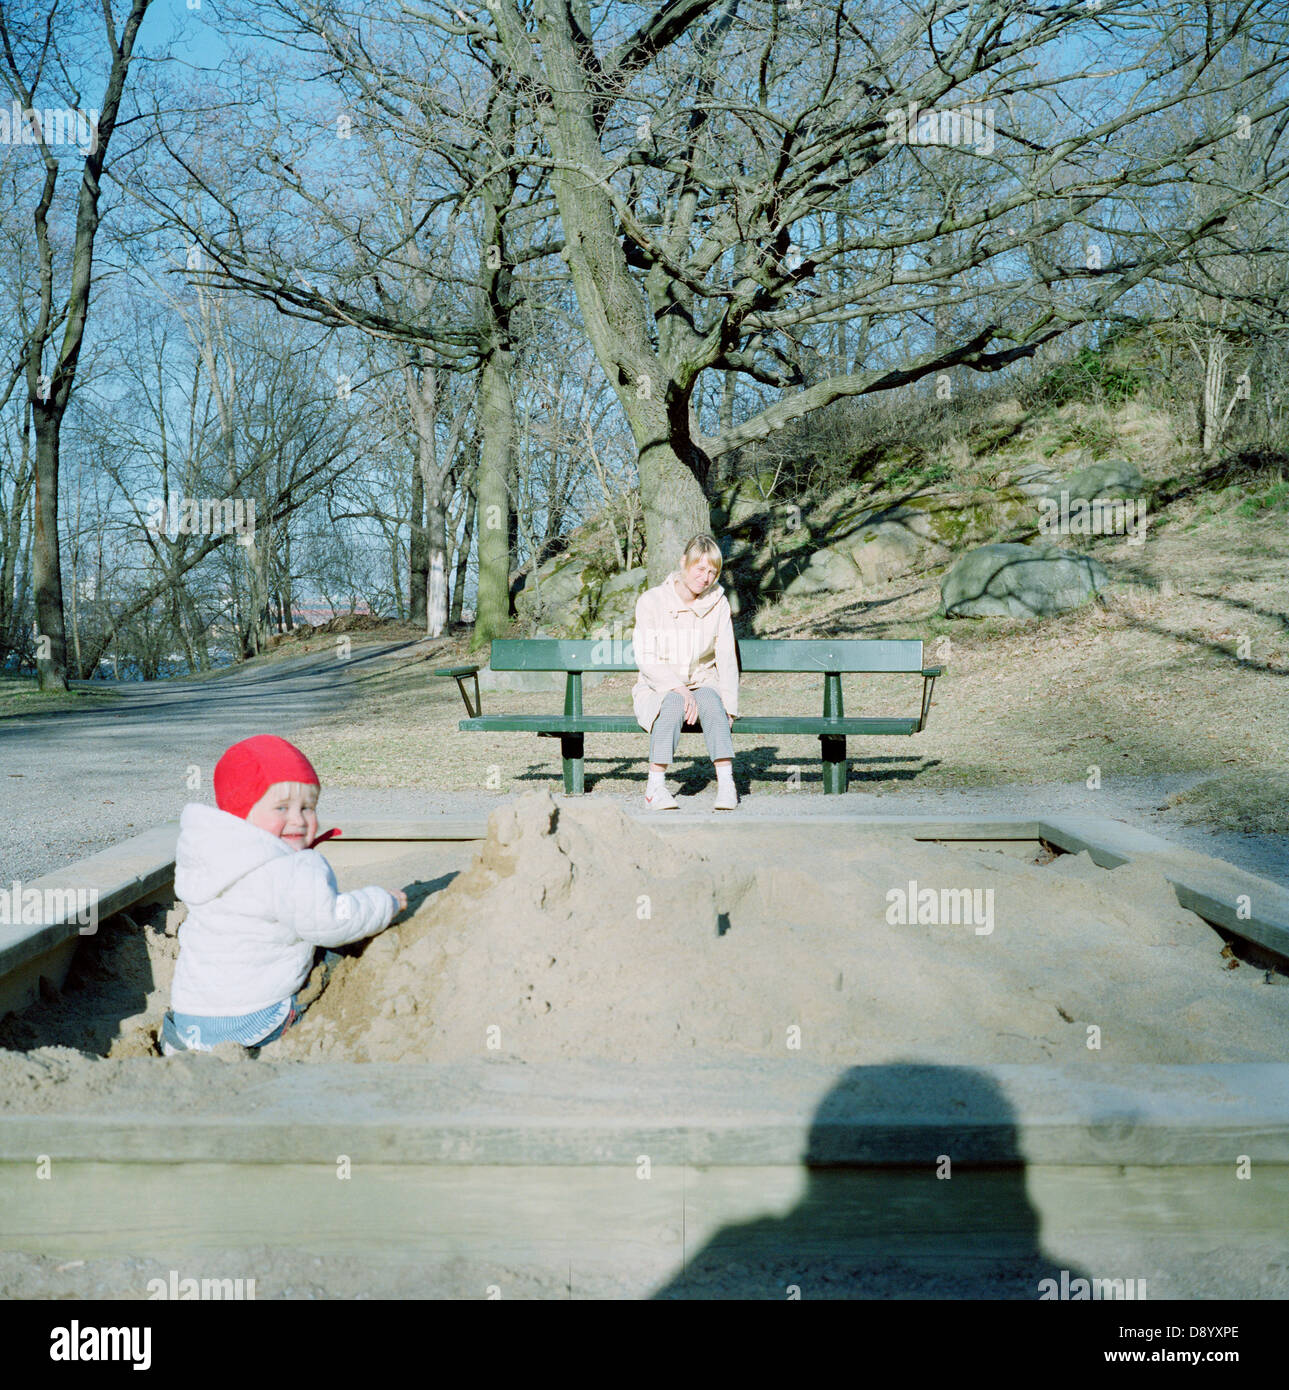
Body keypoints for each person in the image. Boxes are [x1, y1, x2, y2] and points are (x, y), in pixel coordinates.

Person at [161, 734, 407, 1055]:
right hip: (254, 1019)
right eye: (281, 807)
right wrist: (383, 902)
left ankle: (179, 1048)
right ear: (243, 811)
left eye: (308, 807)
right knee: (335, 954)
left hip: (190, 1021)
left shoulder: (213, 859)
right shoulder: (287, 869)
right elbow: (331, 922)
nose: (298, 819)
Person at [632, 534, 740, 811]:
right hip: (659, 685)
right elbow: (646, 656)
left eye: (712, 572)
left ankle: (727, 783)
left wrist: (730, 707)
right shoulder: (651, 601)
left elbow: (726, 657)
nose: (705, 578)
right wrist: (677, 689)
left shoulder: (718, 603)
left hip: (702, 680)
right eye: (700, 569)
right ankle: (654, 787)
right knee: (671, 704)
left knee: (713, 704)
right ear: (684, 562)